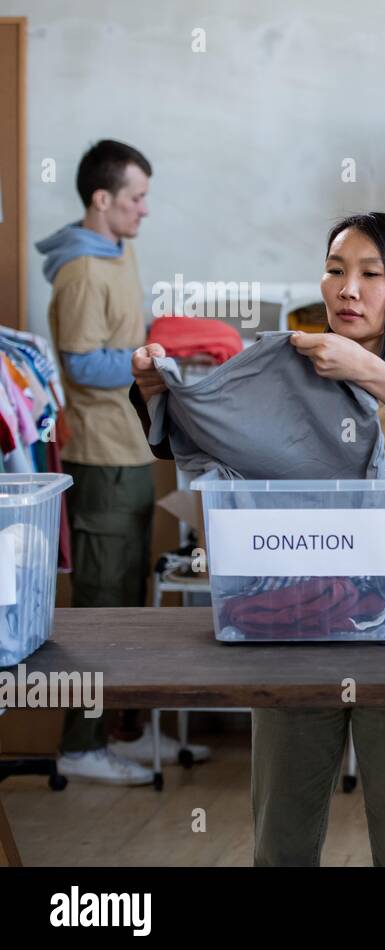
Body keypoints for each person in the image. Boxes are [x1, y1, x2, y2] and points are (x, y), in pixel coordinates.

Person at [130, 212, 385, 865]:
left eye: (370, 275)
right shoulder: (282, 375)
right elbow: (202, 436)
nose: (347, 288)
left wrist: (363, 370)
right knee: (282, 838)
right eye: (336, 269)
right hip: (291, 624)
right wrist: (156, 390)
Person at [36, 139, 208, 784]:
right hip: (100, 455)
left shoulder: (119, 250)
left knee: (131, 598)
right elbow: (83, 363)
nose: (145, 210)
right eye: (136, 198)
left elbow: (125, 339)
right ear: (101, 200)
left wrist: (169, 345)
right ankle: (79, 746)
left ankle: (116, 728)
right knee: (102, 604)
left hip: (133, 448)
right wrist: (160, 357)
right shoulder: (81, 272)